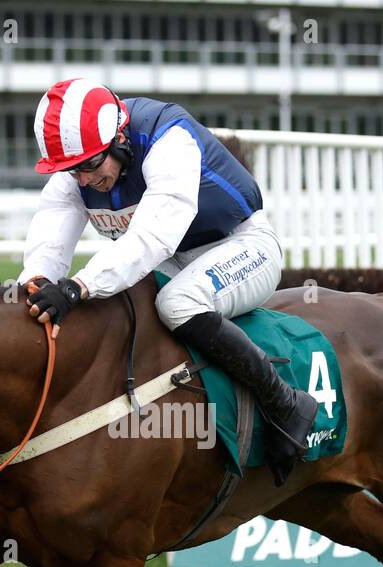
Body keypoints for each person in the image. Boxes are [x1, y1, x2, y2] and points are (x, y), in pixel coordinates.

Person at [18, 78, 317, 485]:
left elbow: (151, 239)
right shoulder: (81, 168)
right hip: (172, 259)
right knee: (111, 310)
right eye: (72, 171)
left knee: (177, 303)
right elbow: (51, 236)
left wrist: (77, 286)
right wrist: (37, 281)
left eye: (89, 165)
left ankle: (284, 402)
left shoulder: (168, 139)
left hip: (242, 245)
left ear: (120, 138)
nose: (83, 180)